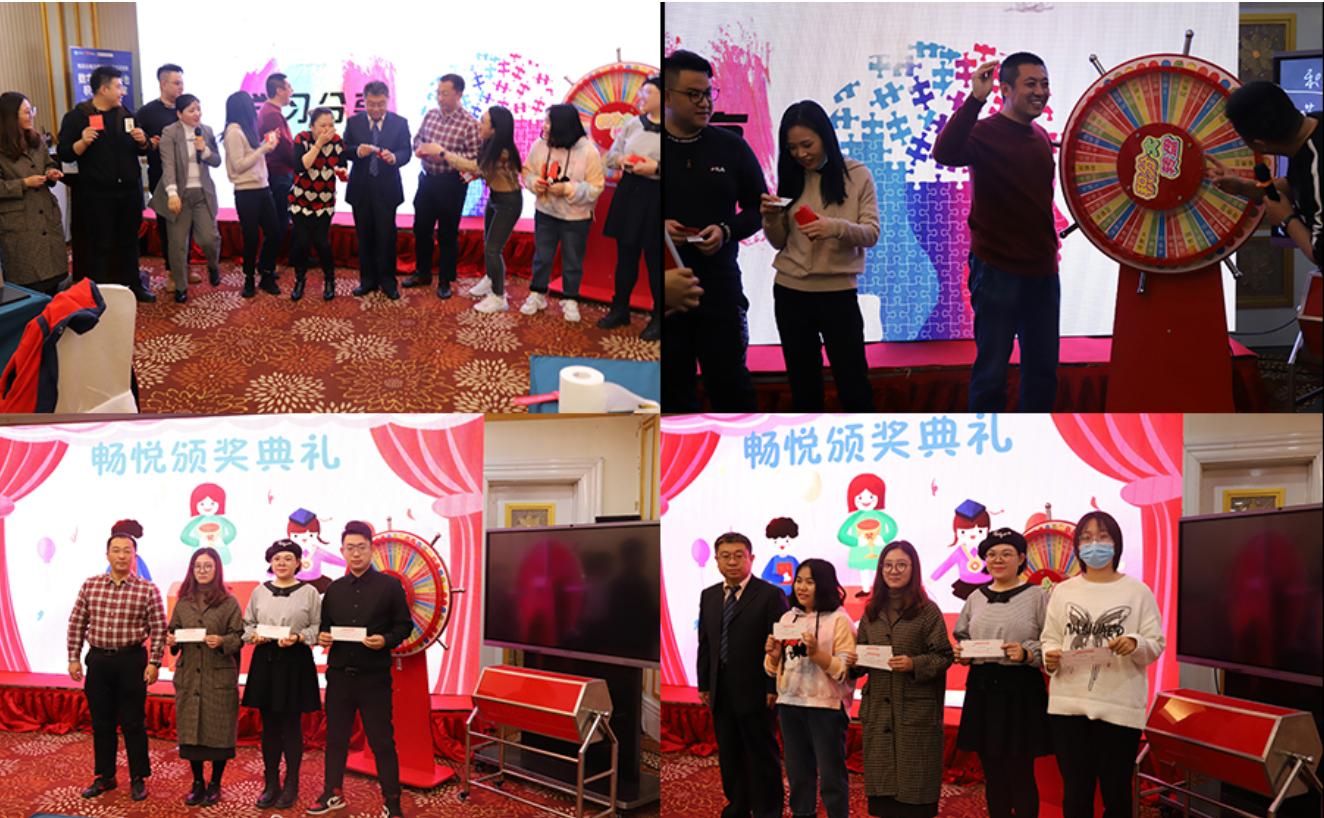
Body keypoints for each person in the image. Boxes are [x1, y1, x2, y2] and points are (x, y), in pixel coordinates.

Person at [933, 53, 1059, 412]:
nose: (1040, 92)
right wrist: (976, 99)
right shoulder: (984, 132)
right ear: (1005, 89)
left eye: (1044, 84)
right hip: (996, 271)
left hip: (1042, 271)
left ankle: (1035, 440)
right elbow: (944, 152)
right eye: (1030, 84)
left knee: (1043, 372)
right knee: (991, 373)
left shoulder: (1040, 136)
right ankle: (988, 441)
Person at [1040, 511, 1164, 818]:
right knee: (1076, 793)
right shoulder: (1063, 591)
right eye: (1086, 538)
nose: (1094, 544)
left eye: (1103, 537)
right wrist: (1050, 655)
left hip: (1118, 707)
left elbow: (1155, 644)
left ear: (1116, 543)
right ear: (1077, 547)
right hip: (1068, 708)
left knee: (1116, 793)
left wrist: (1134, 642)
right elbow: (1050, 638)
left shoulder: (1137, 591)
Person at [760, 99, 879, 411]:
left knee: (853, 384)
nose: (801, 154)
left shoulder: (858, 175)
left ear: (826, 137)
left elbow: (871, 233)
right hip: (790, 292)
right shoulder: (791, 176)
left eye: (807, 145)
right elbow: (779, 243)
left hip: (838, 294)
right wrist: (770, 219)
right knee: (804, 387)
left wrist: (833, 227)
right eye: (792, 148)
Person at [663, 49, 764, 411]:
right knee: (673, 396)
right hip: (665, 293)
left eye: (708, 93)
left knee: (732, 389)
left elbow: (758, 209)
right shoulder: (650, 148)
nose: (705, 102)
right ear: (667, 97)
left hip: (720, 287)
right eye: (693, 94)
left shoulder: (731, 147)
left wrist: (725, 230)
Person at [309, 520, 412, 817]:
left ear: (371, 549)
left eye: (361, 547)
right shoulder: (334, 589)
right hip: (339, 676)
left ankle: (392, 802)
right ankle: (332, 793)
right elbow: (325, 627)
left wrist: (386, 640)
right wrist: (322, 636)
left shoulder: (389, 587)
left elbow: (404, 625)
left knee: (382, 741)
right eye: (350, 548)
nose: (355, 553)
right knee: (335, 739)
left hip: (373, 678)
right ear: (342, 551)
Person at [952, 528, 1051, 818]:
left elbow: (1052, 641)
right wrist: (963, 653)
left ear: (1021, 558)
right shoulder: (976, 597)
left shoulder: (1037, 596)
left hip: (1021, 690)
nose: (998, 559)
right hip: (982, 688)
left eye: (1006, 553)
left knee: (1020, 771)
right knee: (992, 771)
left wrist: (1028, 653)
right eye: (992, 554)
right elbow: (963, 635)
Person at [66, 519, 167, 802]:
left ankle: (138, 778)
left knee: (134, 722)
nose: (122, 556)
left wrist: (155, 662)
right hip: (98, 662)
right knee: (102, 722)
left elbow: (159, 628)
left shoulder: (147, 589)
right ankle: (105, 776)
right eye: (116, 550)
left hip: (132, 661)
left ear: (135, 556)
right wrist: (73, 658)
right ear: (107, 554)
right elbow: (77, 623)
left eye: (127, 551)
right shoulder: (91, 585)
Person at [852, 540, 953, 817]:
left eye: (901, 565)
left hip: (914, 711)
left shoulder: (927, 611)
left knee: (914, 792)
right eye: (888, 565)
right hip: (879, 711)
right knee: (883, 796)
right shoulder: (871, 612)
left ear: (913, 569)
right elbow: (863, 655)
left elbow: (944, 656)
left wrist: (913, 663)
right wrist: (854, 661)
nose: (893, 571)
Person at [696, 531, 788, 818]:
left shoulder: (770, 595)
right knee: (730, 753)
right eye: (725, 556)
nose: (732, 562)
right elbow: (706, 644)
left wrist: (772, 686)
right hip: (720, 688)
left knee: (762, 754)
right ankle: (737, 805)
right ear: (716, 560)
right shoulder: (709, 595)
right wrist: (704, 684)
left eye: (739, 556)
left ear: (752, 559)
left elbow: (781, 645)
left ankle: (767, 810)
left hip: (757, 689)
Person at [763, 558, 856, 818]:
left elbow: (845, 671)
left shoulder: (839, 620)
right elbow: (772, 669)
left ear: (824, 585)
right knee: (798, 775)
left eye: (810, 582)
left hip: (826, 707)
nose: (802, 587)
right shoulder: (788, 617)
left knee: (831, 776)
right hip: (789, 703)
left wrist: (817, 654)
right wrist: (773, 655)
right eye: (799, 581)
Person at [56, 65, 156, 302]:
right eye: (119, 86)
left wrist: (143, 142)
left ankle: (133, 285)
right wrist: (82, 143)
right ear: (103, 89)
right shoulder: (77, 117)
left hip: (128, 192)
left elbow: (141, 151)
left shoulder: (127, 115)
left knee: (130, 241)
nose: (123, 92)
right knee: (100, 244)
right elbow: (64, 153)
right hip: (97, 194)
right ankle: (99, 293)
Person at [242, 539, 322, 809]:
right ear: (270, 562)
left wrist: (299, 637)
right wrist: (254, 635)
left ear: (298, 562)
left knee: (291, 726)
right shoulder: (260, 591)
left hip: (295, 661)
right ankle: (271, 782)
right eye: (277, 559)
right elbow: (247, 625)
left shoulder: (309, 592)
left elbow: (317, 627)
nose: (282, 563)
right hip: (266, 661)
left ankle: (292, 783)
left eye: (288, 558)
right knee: (270, 727)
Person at [165, 547, 243, 806]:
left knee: (219, 732)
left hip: (217, 675)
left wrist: (222, 641)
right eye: (198, 566)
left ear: (217, 569)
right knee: (191, 732)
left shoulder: (228, 602)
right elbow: (173, 631)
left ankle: (215, 783)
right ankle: (197, 782)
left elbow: (238, 636)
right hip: (189, 675)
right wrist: (172, 639)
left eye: (208, 566)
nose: (202, 570)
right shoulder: (183, 601)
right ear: (192, 569)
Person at [1213, 80, 1322, 266]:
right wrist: (1243, 187)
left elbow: (1319, 253)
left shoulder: (1317, 168)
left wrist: (1287, 219)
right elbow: (1299, 184)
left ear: (1259, 144)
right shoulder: (1311, 126)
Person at [520, 103, 605, 322]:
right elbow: (527, 171)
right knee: (542, 256)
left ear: (563, 125)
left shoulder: (588, 151)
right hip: (545, 212)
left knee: (572, 260)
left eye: (549, 122)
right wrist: (534, 183)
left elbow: (596, 187)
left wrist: (567, 189)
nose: (544, 126)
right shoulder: (540, 144)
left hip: (576, 218)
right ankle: (537, 293)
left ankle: (570, 298)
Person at [441, 105, 523, 313]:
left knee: (493, 249)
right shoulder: (490, 145)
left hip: (508, 203)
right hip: (495, 198)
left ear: (495, 129)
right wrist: (475, 175)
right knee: (489, 244)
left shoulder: (502, 152)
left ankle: (498, 297)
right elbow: (483, 171)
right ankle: (490, 278)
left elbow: (473, 166)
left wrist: (442, 153)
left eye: (483, 122)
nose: (479, 125)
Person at [600, 75, 662, 340]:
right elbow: (610, 157)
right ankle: (620, 309)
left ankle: (658, 317)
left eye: (647, 93)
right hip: (629, 192)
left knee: (655, 260)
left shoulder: (677, 128)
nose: (641, 98)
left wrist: (656, 168)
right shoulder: (632, 124)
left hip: (656, 197)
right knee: (625, 256)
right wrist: (622, 159)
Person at [409, 73, 480, 299]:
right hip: (427, 180)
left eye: (445, 93)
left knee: (448, 233)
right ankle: (422, 272)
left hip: (451, 184)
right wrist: (420, 149)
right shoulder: (431, 115)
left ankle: (445, 279)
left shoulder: (470, 124)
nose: (440, 98)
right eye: (438, 93)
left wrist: (443, 155)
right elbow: (417, 139)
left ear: (458, 94)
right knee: (421, 228)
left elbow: (474, 159)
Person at [149, 93, 221, 303]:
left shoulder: (206, 131)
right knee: (178, 244)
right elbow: (168, 165)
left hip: (202, 194)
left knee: (209, 238)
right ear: (179, 114)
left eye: (198, 109)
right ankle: (180, 286)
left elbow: (216, 160)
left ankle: (213, 265)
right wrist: (172, 194)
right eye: (191, 110)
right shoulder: (170, 132)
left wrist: (204, 150)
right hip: (178, 195)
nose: (197, 113)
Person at [343, 81, 410, 299]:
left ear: (387, 100)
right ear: (364, 101)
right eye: (371, 104)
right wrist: (357, 151)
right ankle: (367, 281)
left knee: (387, 237)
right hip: (361, 189)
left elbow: (406, 151)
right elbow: (344, 150)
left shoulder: (399, 123)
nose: (376, 109)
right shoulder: (353, 122)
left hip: (386, 190)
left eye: (380, 104)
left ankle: (388, 281)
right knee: (364, 237)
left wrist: (395, 157)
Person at [0, 91, 66, 294]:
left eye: (32, 111)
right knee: (30, 282)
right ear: (11, 117)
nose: (31, 116)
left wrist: (51, 172)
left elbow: (48, 164)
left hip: (46, 215)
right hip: (19, 221)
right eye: (27, 112)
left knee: (54, 279)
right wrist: (24, 183)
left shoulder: (36, 141)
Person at [223, 90, 281, 297]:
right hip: (246, 191)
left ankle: (266, 272)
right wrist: (262, 150)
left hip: (262, 187)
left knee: (274, 232)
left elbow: (253, 157)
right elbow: (239, 165)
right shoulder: (233, 132)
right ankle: (248, 279)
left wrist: (267, 145)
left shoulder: (247, 129)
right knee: (251, 237)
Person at [289, 107, 347, 301]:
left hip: (324, 202)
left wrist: (343, 173)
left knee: (322, 242)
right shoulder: (302, 139)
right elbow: (300, 166)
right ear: (312, 126)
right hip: (300, 201)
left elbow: (342, 164)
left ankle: (330, 279)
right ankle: (300, 280)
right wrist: (319, 144)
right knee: (302, 243)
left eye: (331, 125)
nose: (328, 129)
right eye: (322, 125)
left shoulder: (338, 141)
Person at [138, 63, 189, 283]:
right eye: (177, 83)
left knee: (187, 224)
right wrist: (149, 143)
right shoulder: (147, 112)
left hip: (187, 176)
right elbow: (137, 145)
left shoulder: (186, 108)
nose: (181, 87)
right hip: (161, 178)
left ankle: (184, 267)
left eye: (182, 83)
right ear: (163, 84)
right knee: (168, 226)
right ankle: (171, 273)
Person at [260, 72, 297, 272]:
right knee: (279, 222)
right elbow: (283, 148)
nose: (292, 91)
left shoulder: (272, 112)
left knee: (281, 220)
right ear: (279, 90)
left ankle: (268, 264)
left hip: (280, 172)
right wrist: (300, 163)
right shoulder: (272, 114)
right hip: (278, 173)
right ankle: (266, 266)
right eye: (289, 87)